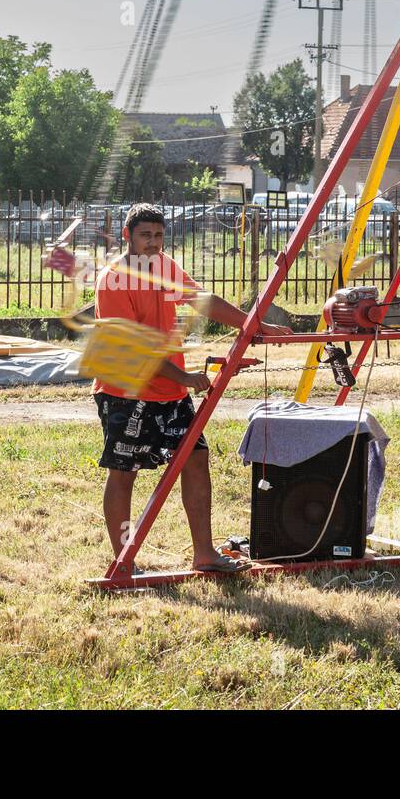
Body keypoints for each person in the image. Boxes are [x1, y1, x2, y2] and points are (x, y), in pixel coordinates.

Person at [95, 203, 292, 574]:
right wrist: (183, 378)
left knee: (196, 459)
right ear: (128, 236)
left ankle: (204, 554)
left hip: (169, 391)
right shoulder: (113, 279)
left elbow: (205, 301)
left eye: (158, 236)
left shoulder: (165, 267)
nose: (153, 244)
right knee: (124, 472)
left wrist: (256, 326)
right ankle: (125, 560)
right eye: (145, 236)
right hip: (125, 391)